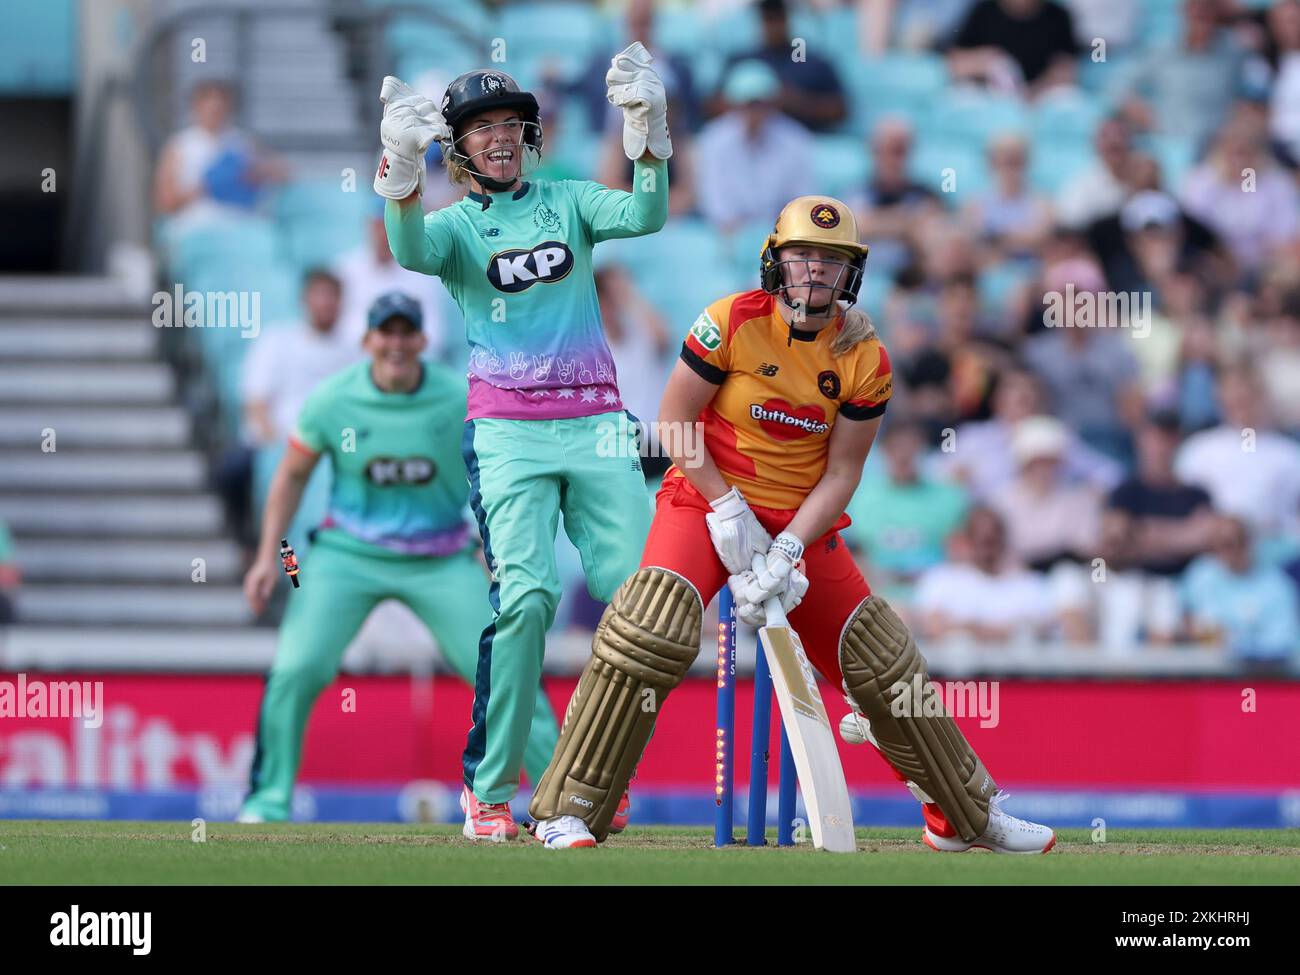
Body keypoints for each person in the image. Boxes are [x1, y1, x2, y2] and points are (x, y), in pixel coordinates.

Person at [527, 195, 1055, 854]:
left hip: (798, 524)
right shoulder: (731, 321)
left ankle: (966, 816)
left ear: (850, 274)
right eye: (803, 256)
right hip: (704, 500)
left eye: (830, 261)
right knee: (649, 628)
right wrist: (725, 506)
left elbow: (841, 474)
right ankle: (567, 806)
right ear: (775, 260)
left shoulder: (866, 358)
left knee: (883, 662)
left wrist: (787, 549)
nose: (814, 271)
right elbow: (674, 422)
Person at [374, 46, 671, 841]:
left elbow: (646, 214)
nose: (499, 138)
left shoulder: (570, 199)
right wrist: (401, 168)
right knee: (529, 597)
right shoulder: (457, 227)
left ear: (529, 134)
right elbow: (407, 251)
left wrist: (647, 129)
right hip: (506, 431)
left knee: (644, 603)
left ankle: (591, 774)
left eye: (510, 124)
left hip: (598, 423)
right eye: (480, 129)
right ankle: (488, 788)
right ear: (460, 150)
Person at [237, 293, 560, 823]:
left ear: (423, 340)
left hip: (442, 555)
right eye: (384, 333)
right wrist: (269, 557)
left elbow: (505, 467)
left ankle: (561, 800)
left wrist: (500, 545)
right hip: (347, 554)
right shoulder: (332, 400)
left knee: (505, 667)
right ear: (367, 341)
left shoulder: (460, 397)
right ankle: (267, 801)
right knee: (295, 667)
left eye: (405, 332)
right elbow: (291, 475)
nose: (395, 343)